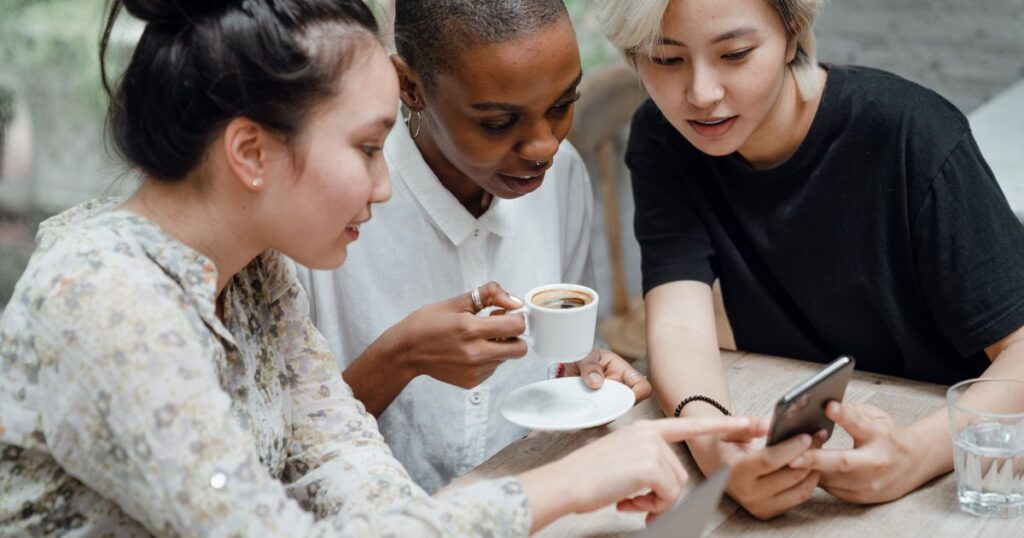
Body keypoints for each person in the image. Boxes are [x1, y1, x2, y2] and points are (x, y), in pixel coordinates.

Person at [0, 0, 766, 535]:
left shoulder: (257, 277)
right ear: (250, 152)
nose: (387, 182)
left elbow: (347, 472)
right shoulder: (103, 297)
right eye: (368, 148)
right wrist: (557, 488)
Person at [591, 0, 1024, 520]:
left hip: (970, 458)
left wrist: (915, 456)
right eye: (665, 60)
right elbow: (680, 326)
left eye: (735, 54)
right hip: (794, 430)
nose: (701, 94)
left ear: (792, 34)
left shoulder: (911, 132)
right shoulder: (666, 139)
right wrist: (717, 449)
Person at [297, 0, 652, 494]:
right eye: (498, 123)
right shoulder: (328, 213)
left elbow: (554, 365)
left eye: (561, 105)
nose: (543, 147)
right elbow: (280, 449)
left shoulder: (562, 176)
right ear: (410, 87)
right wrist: (400, 358)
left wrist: (584, 366)